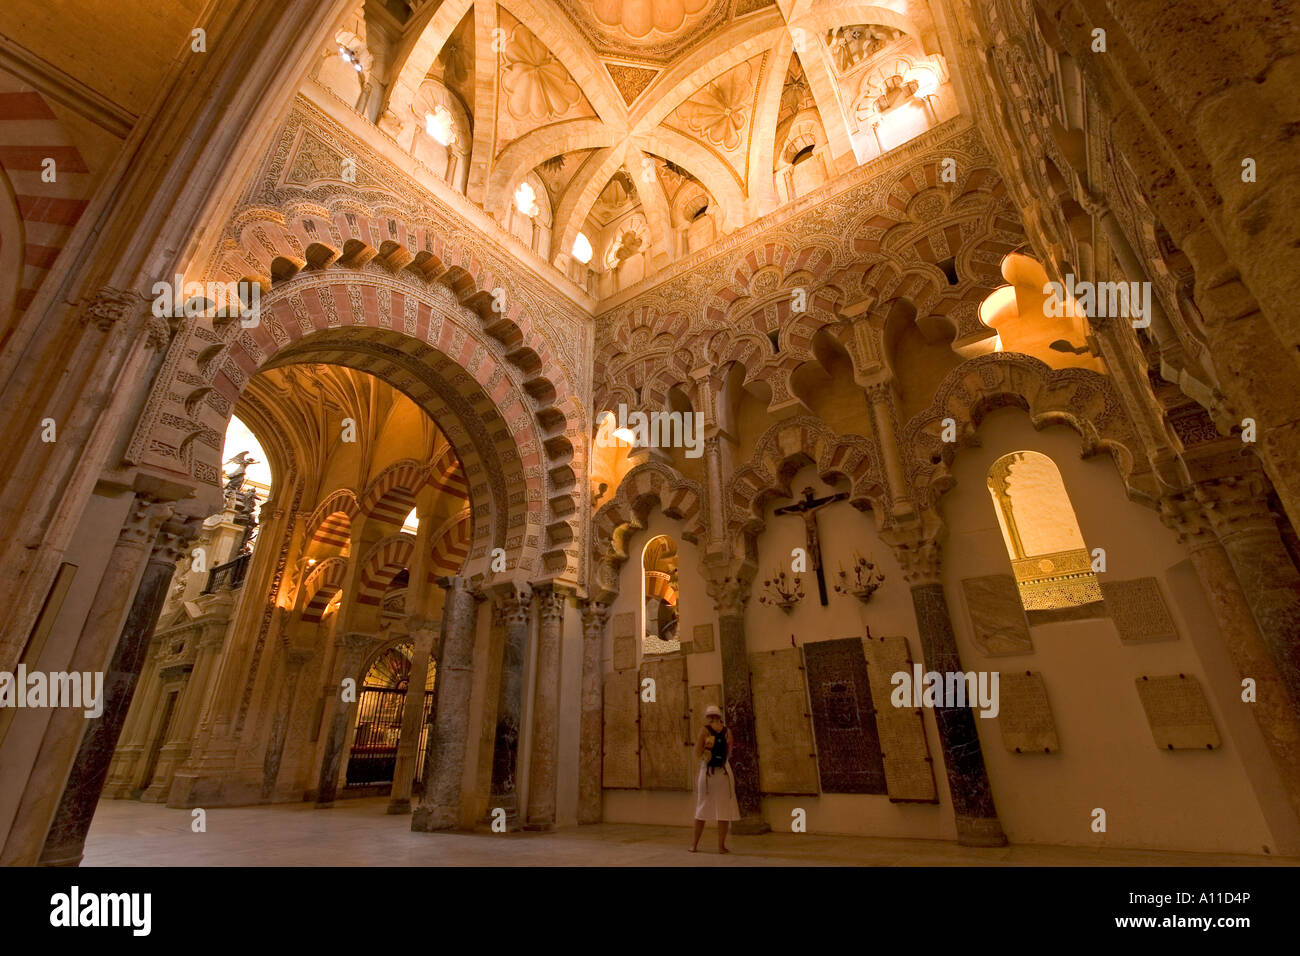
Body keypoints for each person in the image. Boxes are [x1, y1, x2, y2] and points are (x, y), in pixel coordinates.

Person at [690, 704, 740, 853]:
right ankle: (721, 846)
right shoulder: (727, 731)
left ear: (708, 717)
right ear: (719, 716)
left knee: (701, 808)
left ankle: (694, 845)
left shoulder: (704, 730)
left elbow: (697, 753)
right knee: (723, 810)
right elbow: (729, 752)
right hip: (724, 773)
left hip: (708, 773)